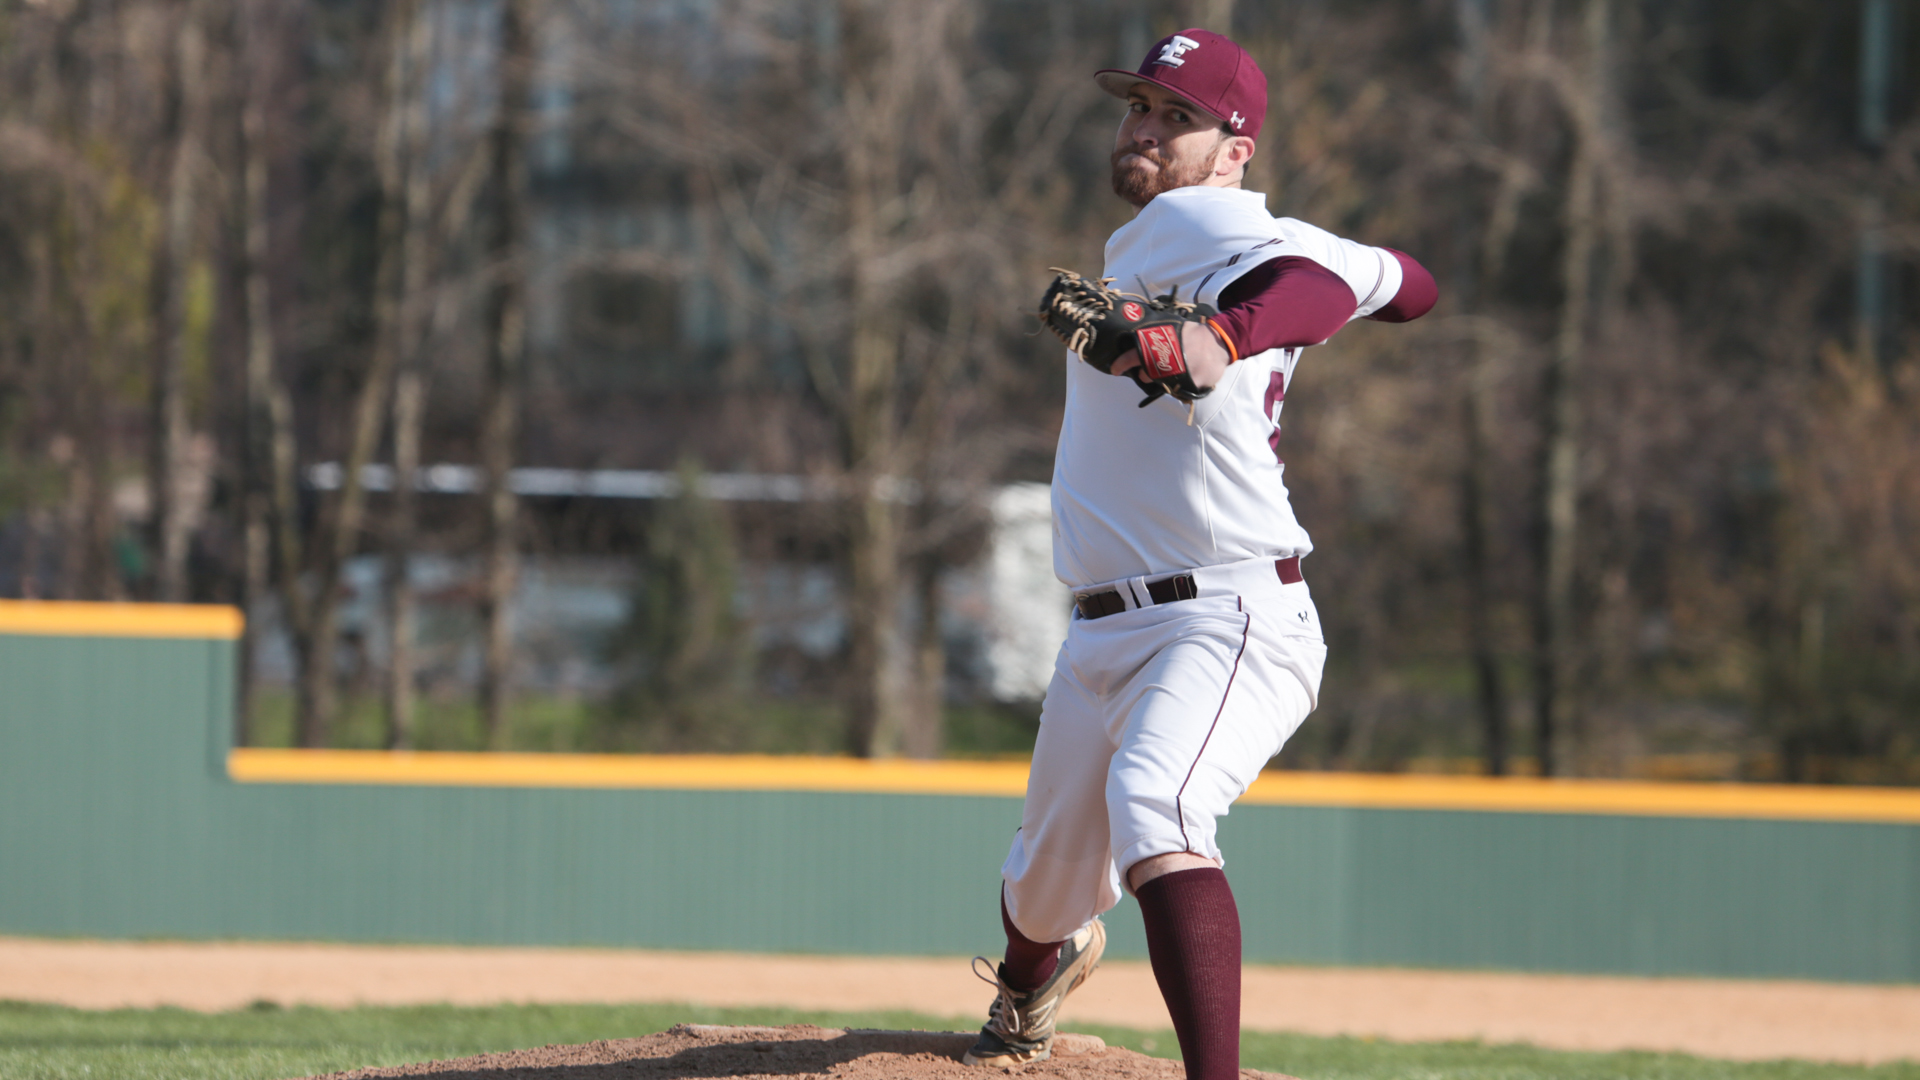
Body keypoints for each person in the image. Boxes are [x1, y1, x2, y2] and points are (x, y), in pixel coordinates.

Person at [961, 29, 1437, 1079]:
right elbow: (1405, 287)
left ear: (1236, 150)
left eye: (1178, 117)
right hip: (1100, 629)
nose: (1145, 127)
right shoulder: (1134, 256)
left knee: (1160, 806)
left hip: (1229, 614)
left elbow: (1389, 281)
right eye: (1138, 107)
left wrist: (1231, 333)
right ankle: (1034, 981)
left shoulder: (1242, 233)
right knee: (1041, 891)